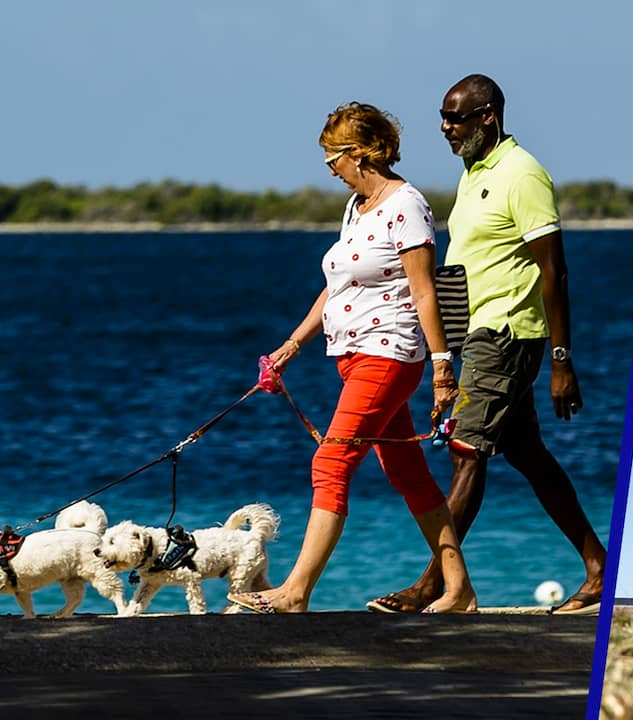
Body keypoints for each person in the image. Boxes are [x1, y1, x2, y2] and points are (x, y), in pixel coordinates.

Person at [367, 75, 607, 615]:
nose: (445, 129)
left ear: (488, 117)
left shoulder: (522, 174)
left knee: (465, 453)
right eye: (442, 118)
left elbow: (555, 271)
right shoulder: (475, 173)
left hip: (505, 335)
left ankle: (436, 583)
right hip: (476, 334)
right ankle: (598, 566)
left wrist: (562, 362)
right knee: (531, 457)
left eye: (455, 119)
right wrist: (444, 348)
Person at [229, 102, 476, 614]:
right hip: (353, 354)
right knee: (408, 473)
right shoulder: (356, 208)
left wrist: (442, 365)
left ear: (361, 154)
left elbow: (424, 291)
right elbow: (335, 286)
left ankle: (295, 591)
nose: (329, 167)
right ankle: (459, 590)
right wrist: (292, 344)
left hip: (391, 352)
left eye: (333, 157)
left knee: (332, 461)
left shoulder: (407, 204)